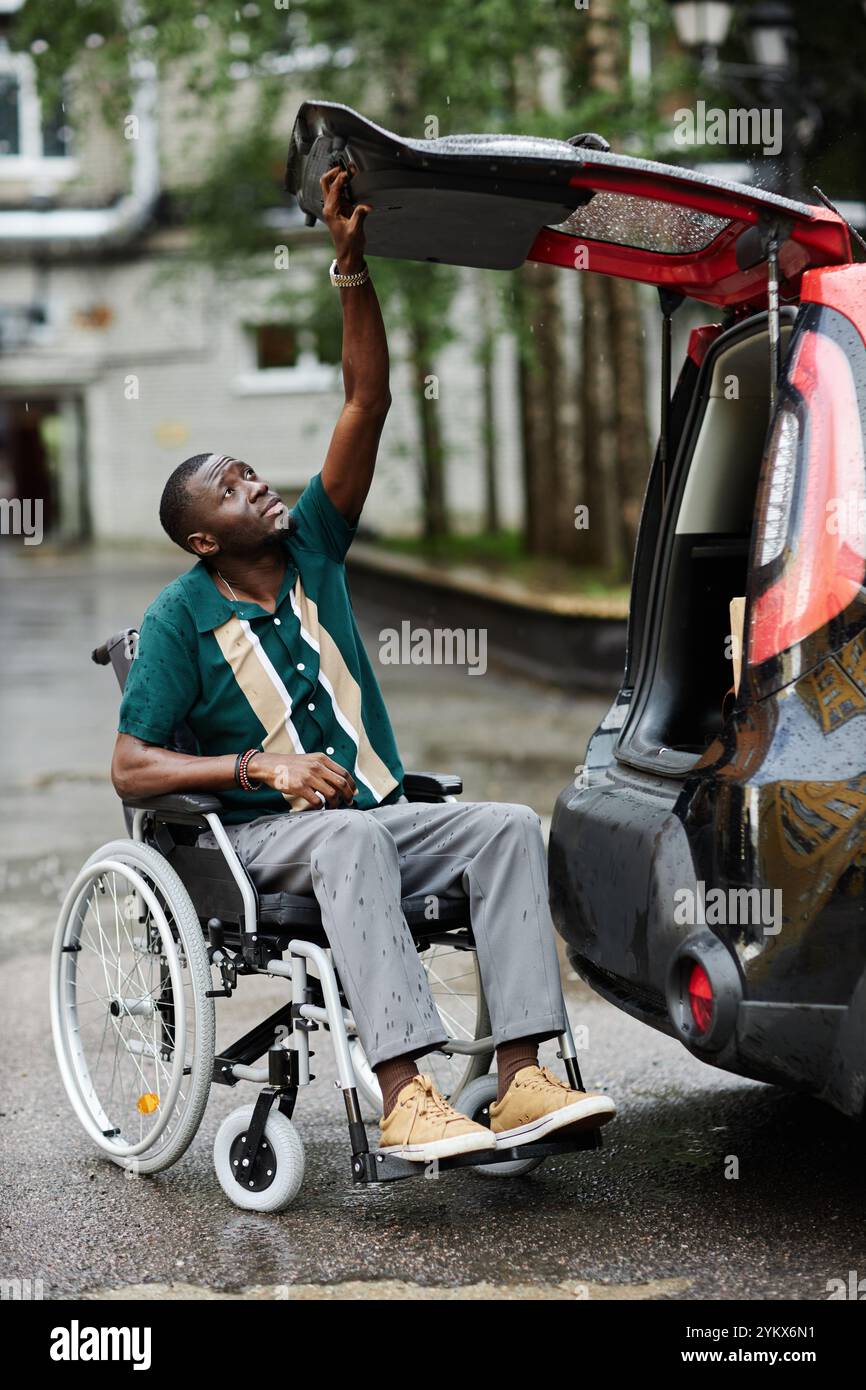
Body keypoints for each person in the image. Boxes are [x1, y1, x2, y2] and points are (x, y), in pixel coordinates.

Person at [111, 163, 616, 1164]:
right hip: (261, 842)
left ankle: (519, 1077)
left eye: (247, 467)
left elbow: (366, 399)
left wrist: (350, 269)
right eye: (225, 484)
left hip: (380, 819)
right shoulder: (177, 621)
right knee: (344, 840)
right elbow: (131, 766)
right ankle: (405, 1094)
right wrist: (262, 766)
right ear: (200, 539)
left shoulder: (312, 549)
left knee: (508, 824)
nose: (250, 478)